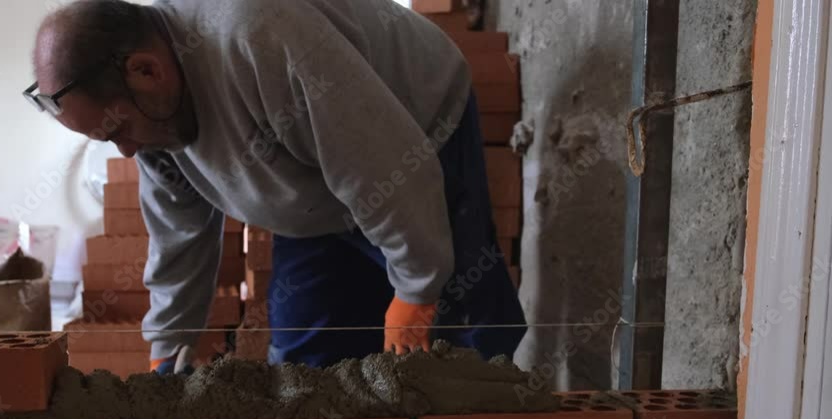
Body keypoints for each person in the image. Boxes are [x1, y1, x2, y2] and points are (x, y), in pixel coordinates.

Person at [26, 0, 526, 373]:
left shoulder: (258, 35)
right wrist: (168, 350)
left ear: (147, 70)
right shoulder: (150, 113)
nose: (126, 152)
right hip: (312, 193)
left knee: (457, 346)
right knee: (303, 371)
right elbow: (177, 232)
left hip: (409, 136)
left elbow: (382, 164)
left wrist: (417, 292)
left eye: (117, 131)